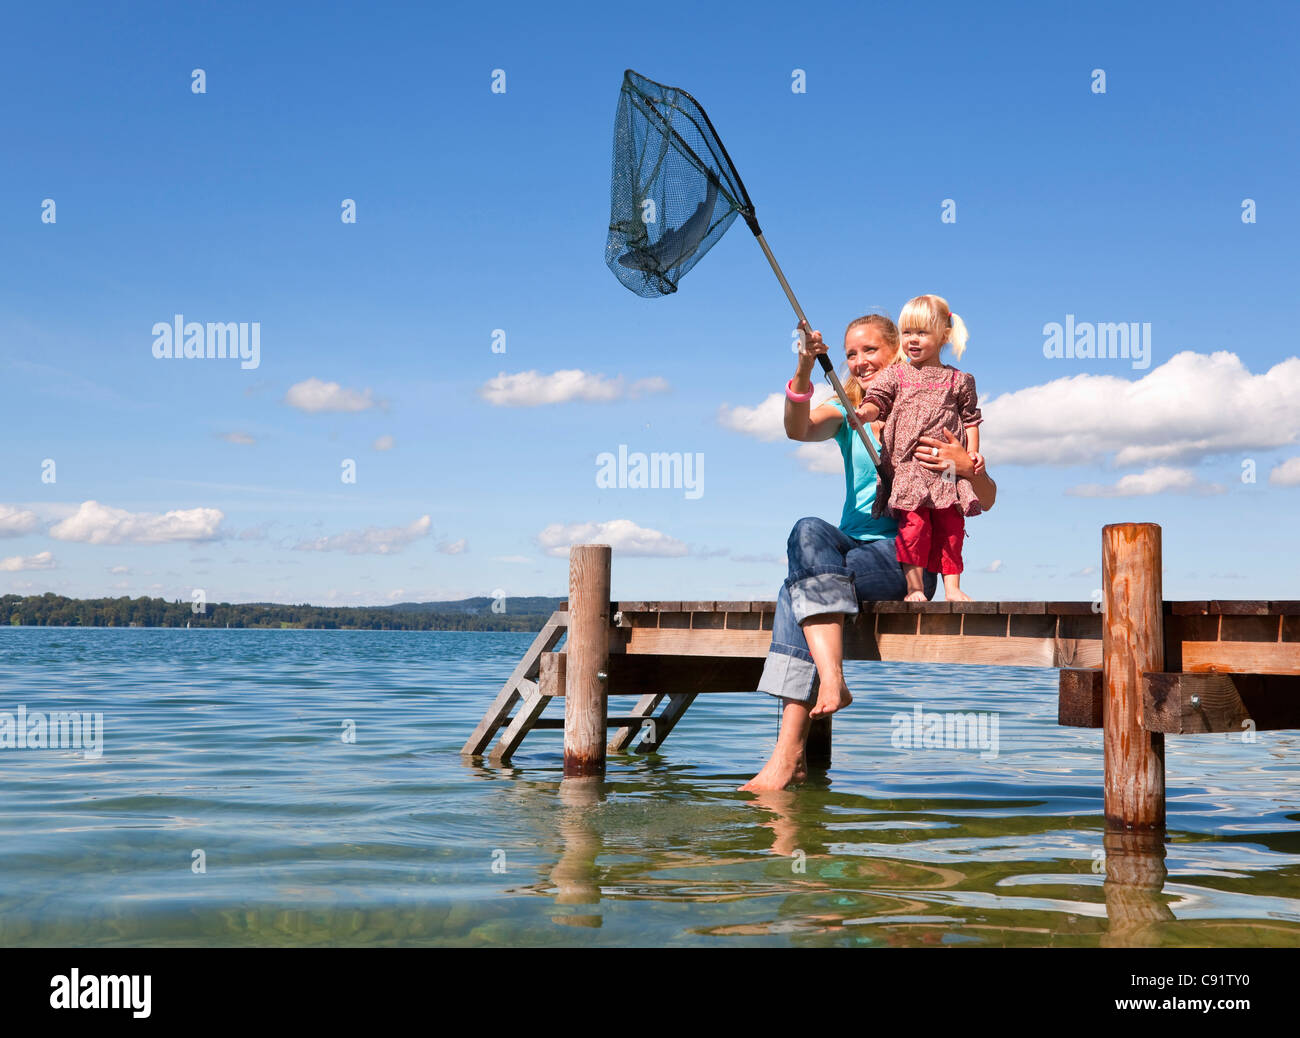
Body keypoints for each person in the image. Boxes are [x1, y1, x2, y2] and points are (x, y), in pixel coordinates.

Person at [740, 313, 996, 793]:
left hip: (906, 557)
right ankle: (832, 681)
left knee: (797, 590)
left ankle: (787, 754)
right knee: (807, 531)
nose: (858, 362)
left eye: (870, 351)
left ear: (898, 350)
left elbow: (986, 494)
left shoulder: (935, 406)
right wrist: (804, 369)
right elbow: (797, 429)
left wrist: (965, 465)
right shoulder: (852, 410)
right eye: (850, 353)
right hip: (849, 544)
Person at [854, 294, 983, 602]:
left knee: (951, 529)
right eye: (907, 332)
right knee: (914, 527)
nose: (912, 339)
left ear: (944, 336)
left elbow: (971, 420)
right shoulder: (896, 375)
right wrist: (865, 412)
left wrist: (972, 454)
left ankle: (952, 587)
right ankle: (914, 587)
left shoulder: (959, 380)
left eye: (921, 333)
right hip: (910, 468)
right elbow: (877, 401)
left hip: (947, 470)